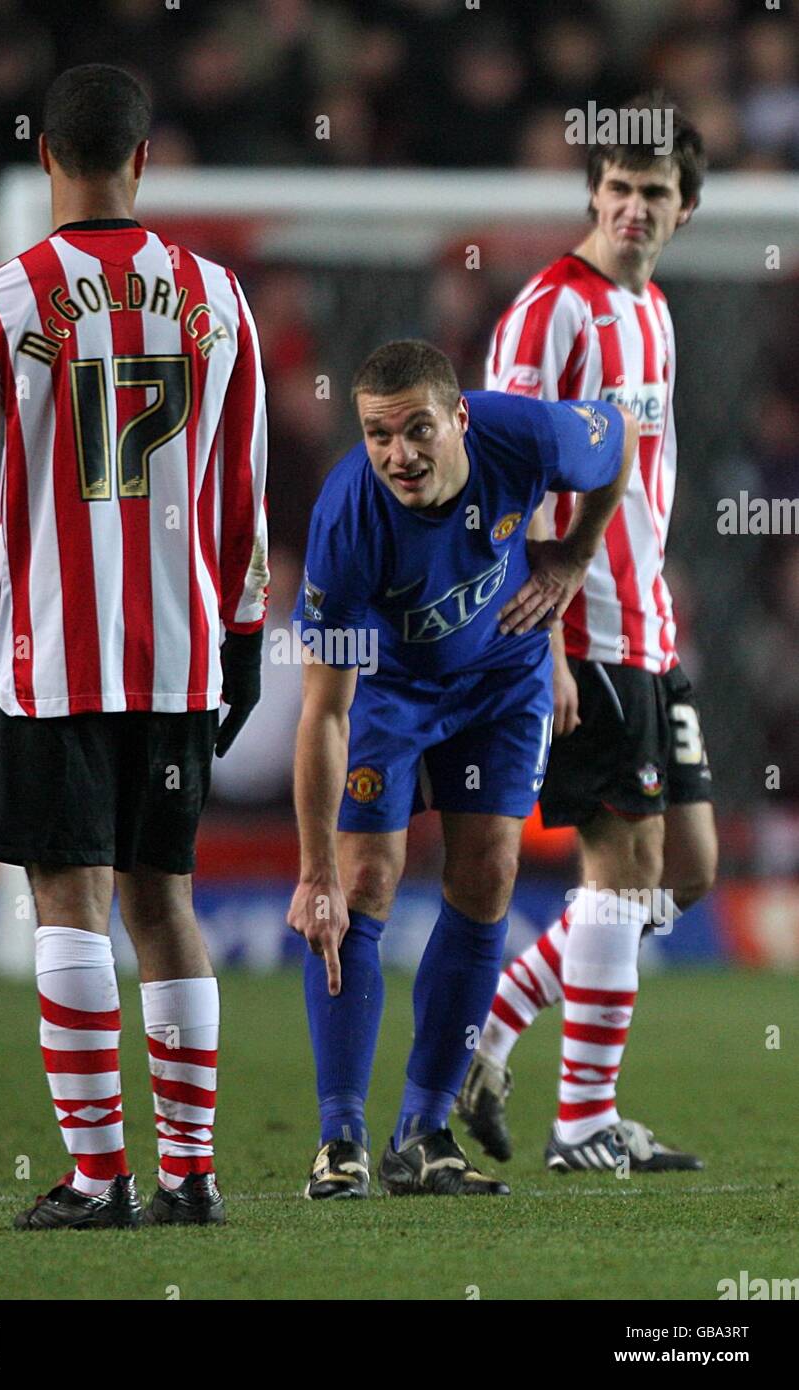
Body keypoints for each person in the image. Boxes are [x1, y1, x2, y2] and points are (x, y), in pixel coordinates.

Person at [0, 64, 268, 1228]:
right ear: (145, 159)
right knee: (166, 898)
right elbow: (240, 496)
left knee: (69, 898)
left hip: (54, 662)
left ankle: (100, 1180)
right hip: (175, 655)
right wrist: (246, 631)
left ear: (48, 159)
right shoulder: (217, 298)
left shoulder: (1, 302)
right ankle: (192, 1174)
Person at [287, 337, 638, 1198]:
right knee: (364, 880)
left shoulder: (528, 438)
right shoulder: (346, 519)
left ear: (461, 421)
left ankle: (426, 1131)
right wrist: (313, 868)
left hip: (505, 674)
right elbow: (324, 712)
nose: (398, 455)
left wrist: (575, 555)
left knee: (488, 877)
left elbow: (620, 437)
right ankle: (341, 1139)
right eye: (377, 435)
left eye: (417, 430)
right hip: (393, 692)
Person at [458, 94, 715, 1173]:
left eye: (652, 194)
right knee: (624, 864)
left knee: (685, 869)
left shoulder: (648, 312)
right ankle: (582, 1123)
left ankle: (492, 1032)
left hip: (645, 626)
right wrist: (548, 640)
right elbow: (500, 475)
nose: (630, 209)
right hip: (582, 625)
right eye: (615, 190)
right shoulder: (546, 313)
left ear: (684, 209)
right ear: (592, 195)